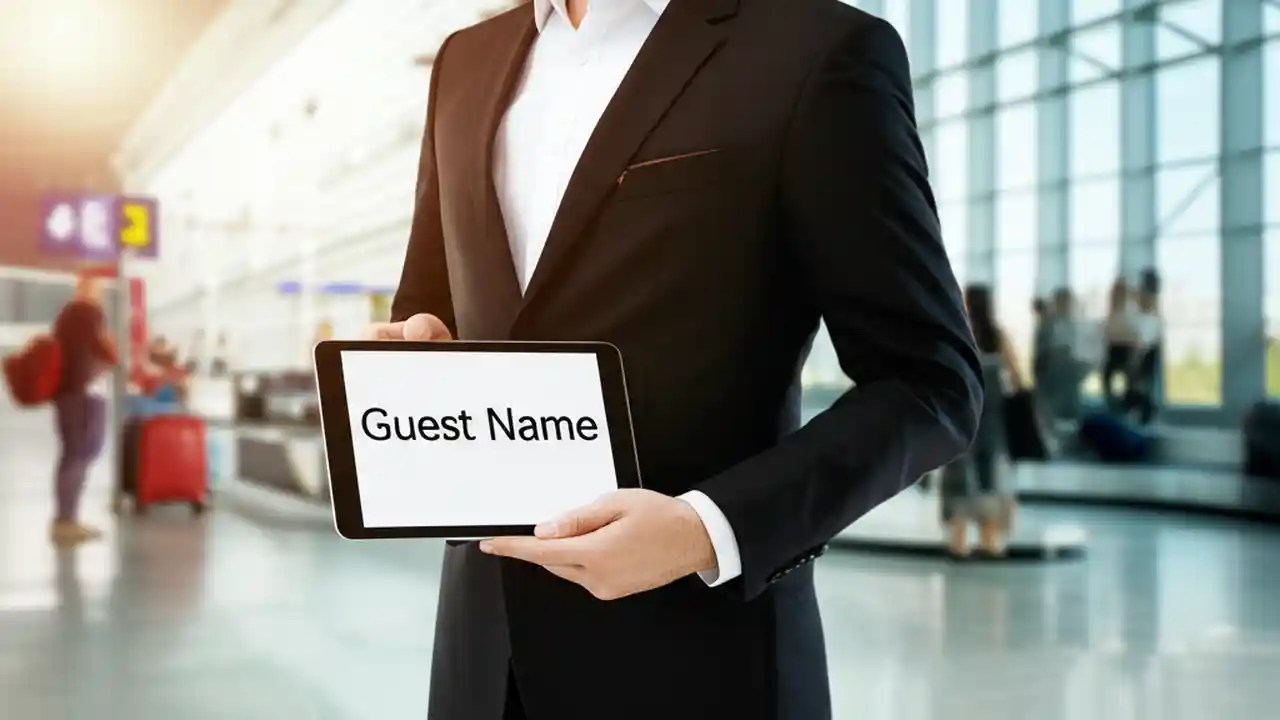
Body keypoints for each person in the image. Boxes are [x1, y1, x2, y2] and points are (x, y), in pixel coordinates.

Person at [371, 1, 982, 718]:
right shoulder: (464, 62)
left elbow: (930, 382)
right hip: (481, 658)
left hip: (701, 658)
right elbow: (430, 304)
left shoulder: (816, 49)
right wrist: (415, 353)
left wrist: (707, 529)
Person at [940, 285, 1023, 558]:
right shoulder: (997, 337)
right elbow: (1018, 378)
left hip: (962, 419)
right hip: (993, 422)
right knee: (990, 479)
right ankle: (990, 542)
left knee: (959, 480)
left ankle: (958, 544)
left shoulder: (957, 333)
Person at [50, 275, 117, 545]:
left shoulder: (67, 318)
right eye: (96, 289)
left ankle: (67, 519)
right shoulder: (86, 313)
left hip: (71, 395)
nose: (99, 294)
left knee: (75, 455)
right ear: (87, 291)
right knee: (79, 454)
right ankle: (66, 522)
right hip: (82, 396)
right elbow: (87, 356)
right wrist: (107, 359)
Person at [1126, 270, 1163, 425]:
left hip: (1146, 351)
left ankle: (1143, 416)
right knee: (1143, 386)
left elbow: (1144, 341)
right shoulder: (1148, 310)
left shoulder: (1150, 313)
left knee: (1143, 386)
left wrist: (1137, 355)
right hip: (1147, 349)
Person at [1101, 278, 1138, 408]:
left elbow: (1134, 334)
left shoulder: (1130, 312)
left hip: (1127, 350)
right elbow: (1107, 333)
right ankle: (1112, 404)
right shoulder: (1112, 313)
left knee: (1130, 376)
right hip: (1113, 351)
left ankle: (1127, 404)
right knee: (1107, 376)